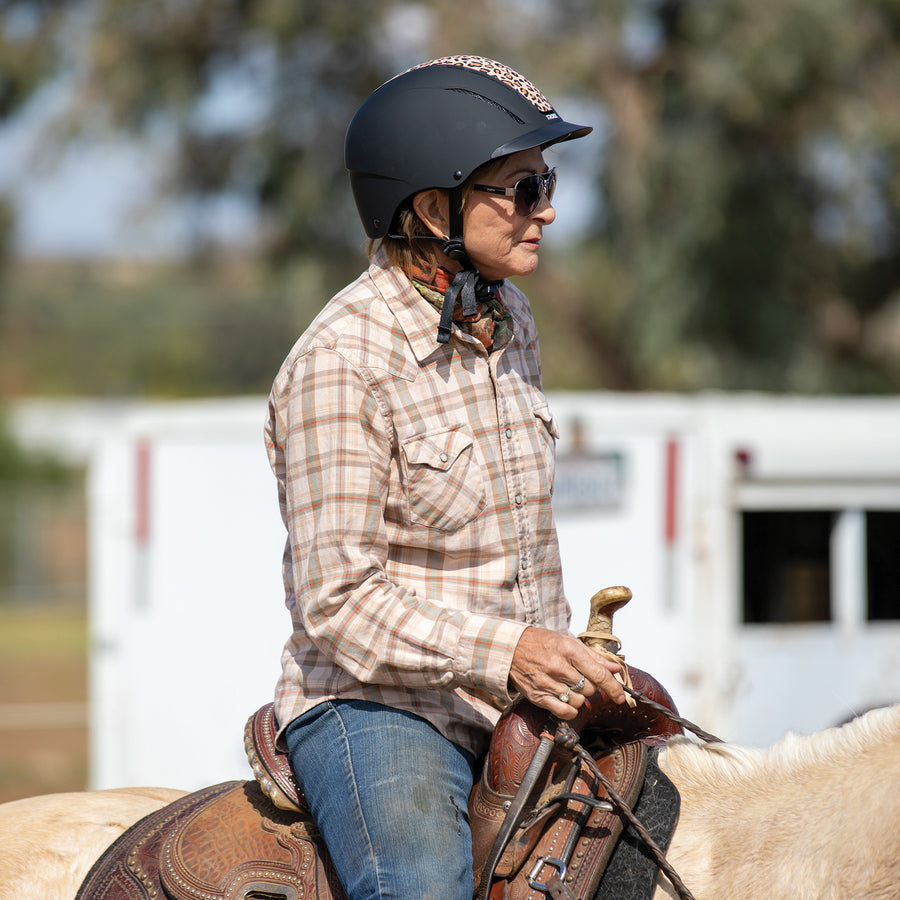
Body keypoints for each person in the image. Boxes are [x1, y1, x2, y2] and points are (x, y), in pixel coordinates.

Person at [264, 55, 627, 900]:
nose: (548, 210)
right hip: (377, 711)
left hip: (515, 697)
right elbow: (337, 601)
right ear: (433, 208)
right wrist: (512, 653)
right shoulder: (340, 362)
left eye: (548, 181)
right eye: (523, 188)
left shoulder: (508, 317)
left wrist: (562, 659)